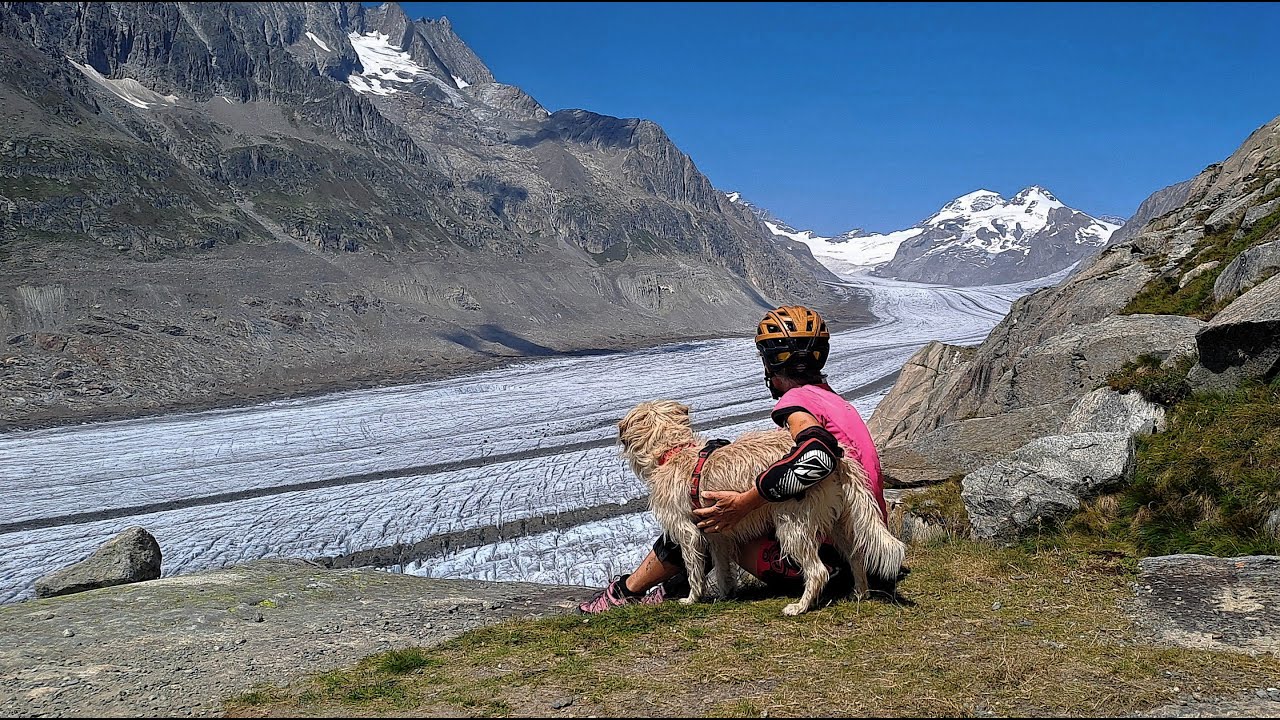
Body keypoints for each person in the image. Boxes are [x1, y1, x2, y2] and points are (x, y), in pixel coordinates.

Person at [579, 305, 891, 614]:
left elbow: (819, 454)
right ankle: (671, 587)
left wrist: (746, 501)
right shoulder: (835, 402)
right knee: (713, 499)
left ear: (771, 361)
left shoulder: (796, 403)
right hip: (861, 553)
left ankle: (629, 591)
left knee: (706, 515)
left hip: (829, 561)